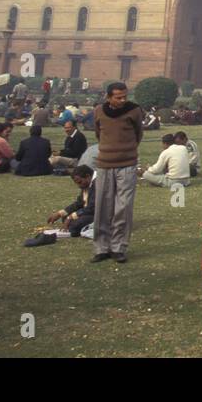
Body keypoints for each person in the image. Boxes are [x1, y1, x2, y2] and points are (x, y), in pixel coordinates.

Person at [91, 81, 144, 264]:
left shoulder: (134, 110)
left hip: (127, 164)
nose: (122, 100)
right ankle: (101, 247)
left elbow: (138, 133)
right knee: (102, 206)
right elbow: (99, 133)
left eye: (125, 96)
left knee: (124, 207)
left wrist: (126, 151)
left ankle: (119, 247)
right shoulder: (99, 111)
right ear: (108, 97)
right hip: (105, 164)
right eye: (118, 97)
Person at [48, 165, 96, 237]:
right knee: (65, 217)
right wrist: (60, 213)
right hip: (88, 211)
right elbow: (79, 202)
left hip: (98, 214)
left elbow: (93, 207)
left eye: (80, 182)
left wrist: (71, 217)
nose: (79, 186)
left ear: (88, 176)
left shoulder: (98, 183)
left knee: (75, 224)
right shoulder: (87, 183)